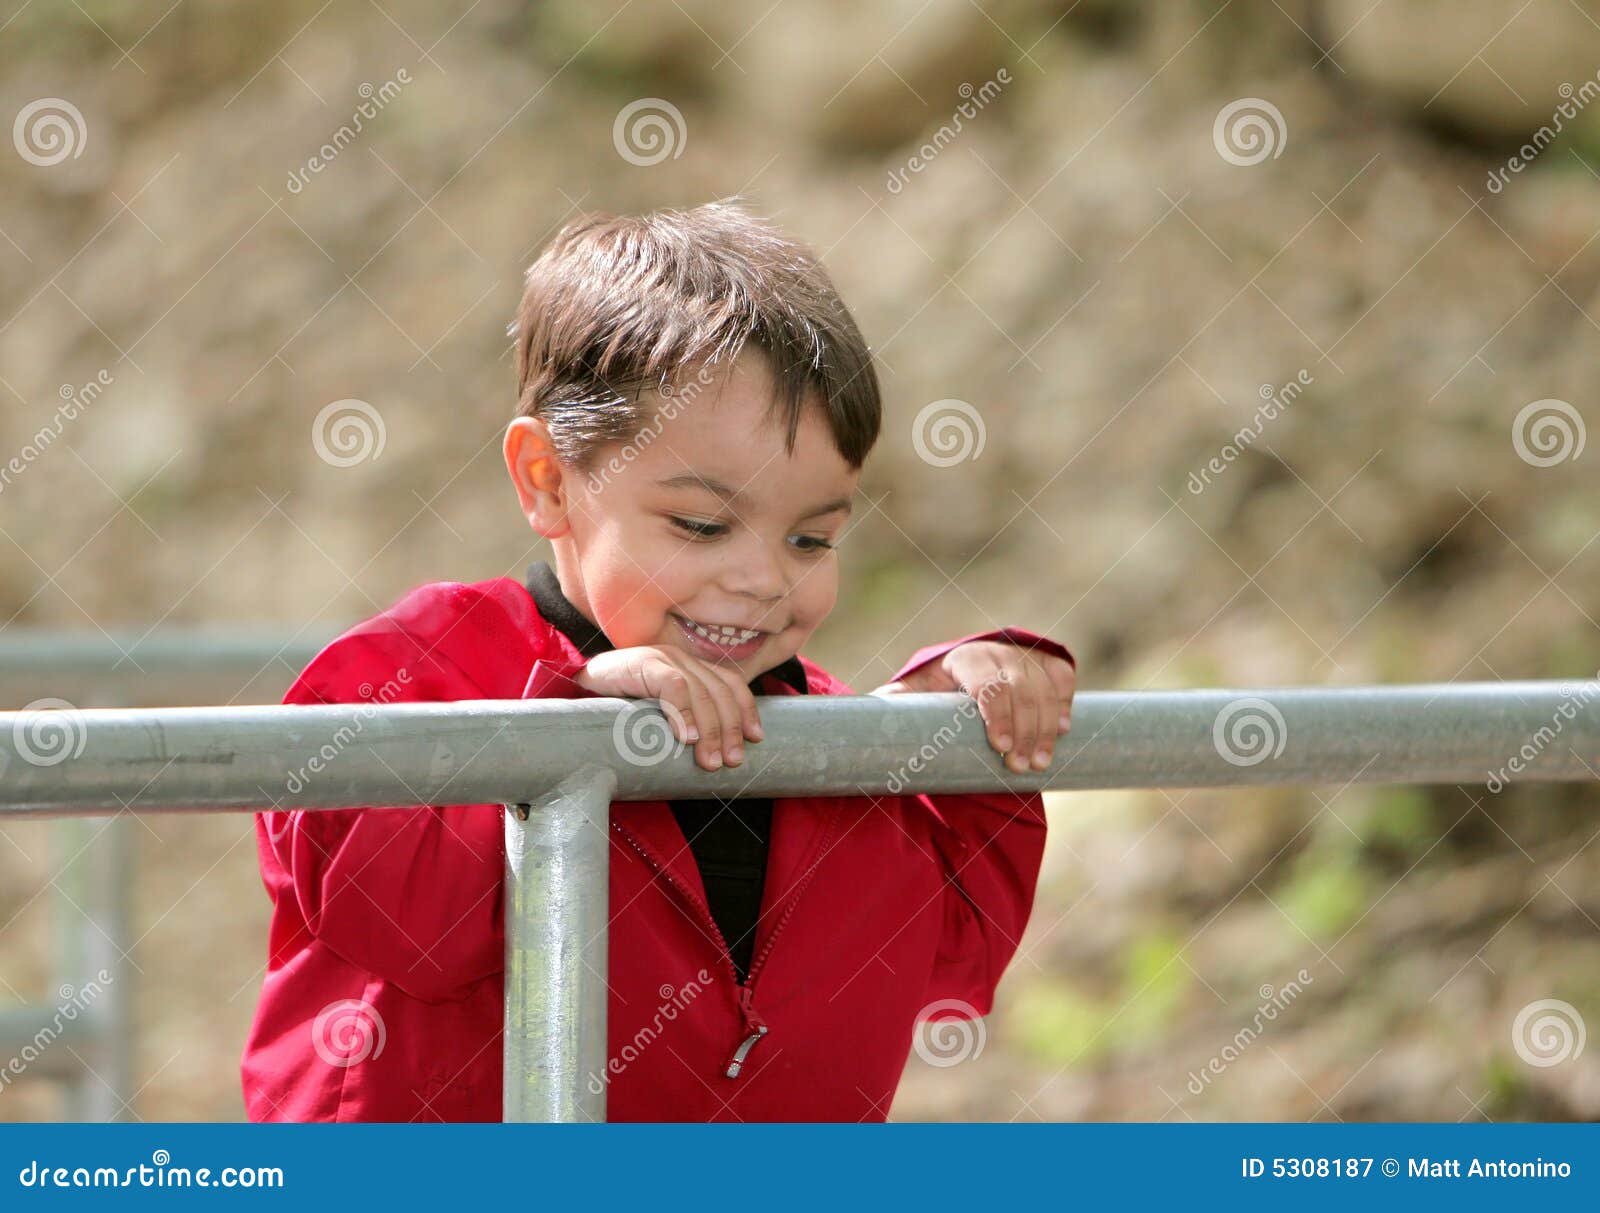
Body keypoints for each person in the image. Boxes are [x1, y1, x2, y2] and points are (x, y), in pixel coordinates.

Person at [240, 199, 1076, 1122]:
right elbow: (402, 917)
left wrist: (949, 734)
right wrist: (565, 725)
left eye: (811, 539)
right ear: (548, 480)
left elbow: (952, 959)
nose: (761, 579)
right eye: (702, 525)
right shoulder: (413, 670)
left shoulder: (827, 740)